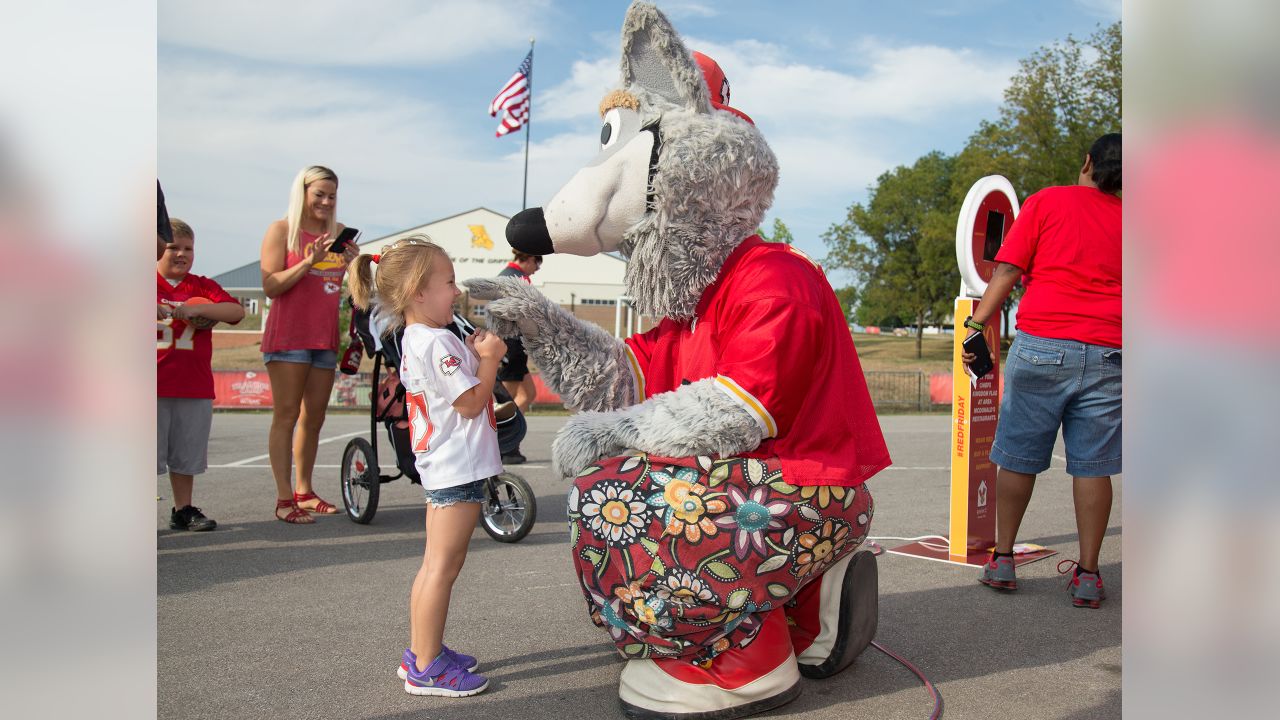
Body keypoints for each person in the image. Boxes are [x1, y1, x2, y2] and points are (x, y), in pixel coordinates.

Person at [964, 133, 1122, 608]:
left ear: (1088, 161)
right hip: (1112, 350)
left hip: (1044, 345)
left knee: (1017, 454)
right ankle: (1089, 575)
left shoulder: (1048, 202)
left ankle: (1004, 560)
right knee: (1093, 465)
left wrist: (976, 324)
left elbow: (1007, 271)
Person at [348, 236, 504, 697]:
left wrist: (475, 355)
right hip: (458, 468)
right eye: (449, 282)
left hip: (444, 465)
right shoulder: (436, 342)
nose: (456, 291)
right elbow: (473, 402)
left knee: (433, 564)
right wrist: (491, 360)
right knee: (443, 567)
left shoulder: (420, 338)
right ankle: (427, 667)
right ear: (418, 292)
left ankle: (420, 650)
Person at [259, 166, 360, 524]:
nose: (326, 201)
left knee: (314, 418)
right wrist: (308, 261)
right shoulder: (282, 230)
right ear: (302, 192)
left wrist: (353, 267)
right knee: (286, 415)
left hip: (324, 340)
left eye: (332, 195)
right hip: (288, 338)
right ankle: (284, 498)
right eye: (319, 193)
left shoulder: (337, 236)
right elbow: (271, 286)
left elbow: (356, 294)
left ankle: (304, 491)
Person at [158, 218, 246, 531]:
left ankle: (182, 509)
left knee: (185, 455)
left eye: (188, 248)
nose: (181, 253)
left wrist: (197, 309)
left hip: (192, 384)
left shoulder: (202, 286)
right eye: (173, 247)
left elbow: (236, 312)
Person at [494, 250, 541, 464]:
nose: (537, 269)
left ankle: (510, 439)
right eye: (536, 264)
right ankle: (502, 444)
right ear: (529, 258)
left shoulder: (514, 277)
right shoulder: (510, 278)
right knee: (506, 402)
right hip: (509, 343)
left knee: (528, 394)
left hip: (515, 344)